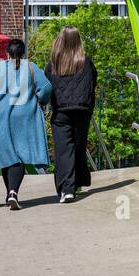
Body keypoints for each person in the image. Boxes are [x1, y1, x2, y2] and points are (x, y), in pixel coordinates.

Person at [0, 39, 52, 210]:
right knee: (19, 155)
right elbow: (46, 88)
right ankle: (12, 192)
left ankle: (11, 192)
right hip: (24, 118)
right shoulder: (31, 68)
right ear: (23, 54)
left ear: (7, 54)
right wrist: (40, 100)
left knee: (8, 156)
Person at [44, 26, 97, 203]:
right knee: (78, 147)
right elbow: (92, 83)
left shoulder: (53, 64)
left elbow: (47, 86)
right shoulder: (86, 61)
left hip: (61, 111)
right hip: (82, 111)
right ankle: (77, 182)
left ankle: (67, 189)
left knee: (63, 150)